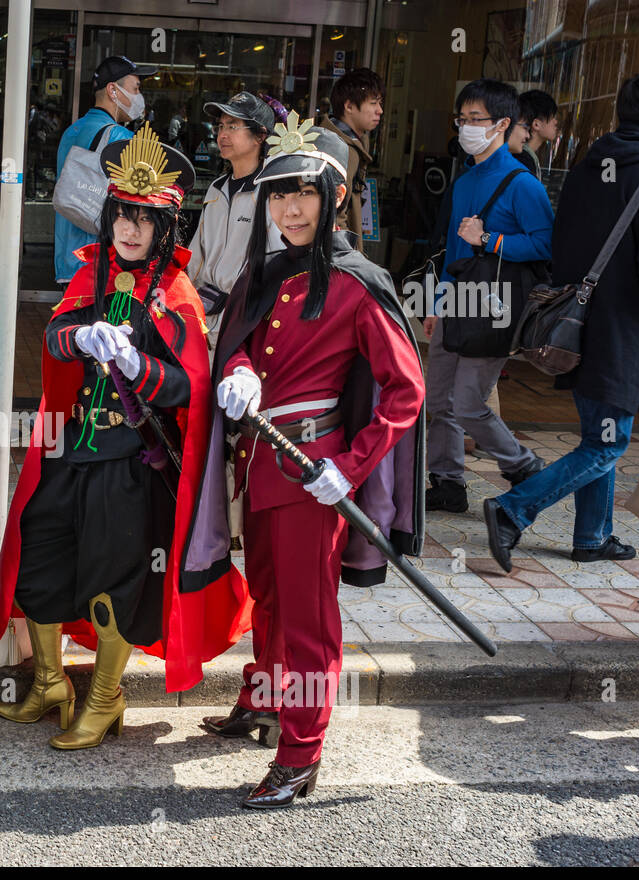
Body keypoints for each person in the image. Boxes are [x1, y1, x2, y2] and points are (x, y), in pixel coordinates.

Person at [0, 124, 252, 750]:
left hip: (130, 464)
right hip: (68, 450)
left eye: (144, 220)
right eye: (121, 217)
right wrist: (76, 337)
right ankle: (50, 681)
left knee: (113, 583)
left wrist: (143, 370)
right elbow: (53, 339)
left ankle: (105, 698)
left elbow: (189, 386)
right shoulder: (90, 277)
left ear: (164, 230)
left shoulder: (177, 292)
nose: (130, 231)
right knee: (39, 563)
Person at [206, 120, 425, 807]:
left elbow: (406, 390)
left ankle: (300, 755)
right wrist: (237, 369)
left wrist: (353, 466)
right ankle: (266, 701)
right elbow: (239, 339)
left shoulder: (360, 284)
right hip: (263, 464)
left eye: (303, 195)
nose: (290, 210)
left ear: (332, 197)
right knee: (267, 598)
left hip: (314, 472)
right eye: (278, 197)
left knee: (307, 620)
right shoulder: (265, 272)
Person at [484, 70, 639, 571]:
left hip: (574, 323)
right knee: (610, 442)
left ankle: (592, 536)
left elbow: (561, 240)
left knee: (596, 434)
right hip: (619, 329)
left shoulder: (588, 165)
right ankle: (513, 510)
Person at [423, 79, 551, 514]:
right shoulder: (464, 181)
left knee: (470, 403)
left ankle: (522, 464)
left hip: (493, 307)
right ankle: (447, 481)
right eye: (462, 119)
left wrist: (491, 240)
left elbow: (546, 246)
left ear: (502, 124)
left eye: (475, 120)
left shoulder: (523, 184)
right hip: (457, 301)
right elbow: (454, 252)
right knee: (437, 399)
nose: (466, 128)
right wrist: (438, 303)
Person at [186, 92, 282, 351]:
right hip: (206, 315)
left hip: (245, 320)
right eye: (221, 126)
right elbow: (197, 255)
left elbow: (277, 261)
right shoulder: (216, 188)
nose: (222, 135)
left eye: (233, 126)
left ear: (260, 136)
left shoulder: (272, 192)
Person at [53, 55, 156, 287]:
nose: (140, 97)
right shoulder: (122, 138)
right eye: (136, 88)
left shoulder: (71, 131)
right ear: (113, 90)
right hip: (100, 267)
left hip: (67, 262)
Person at [319, 67, 385, 249]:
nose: (379, 110)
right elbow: (336, 215)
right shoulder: (340, 148)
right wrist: (350, 258)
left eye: (380, 103)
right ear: (349, 106)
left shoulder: (350, 141)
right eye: (373, 103)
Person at [511, 89, 559, 181]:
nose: (556, 122)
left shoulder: (525, 156)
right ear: (536, 124)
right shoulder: (522, 160)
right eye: (552, 117)